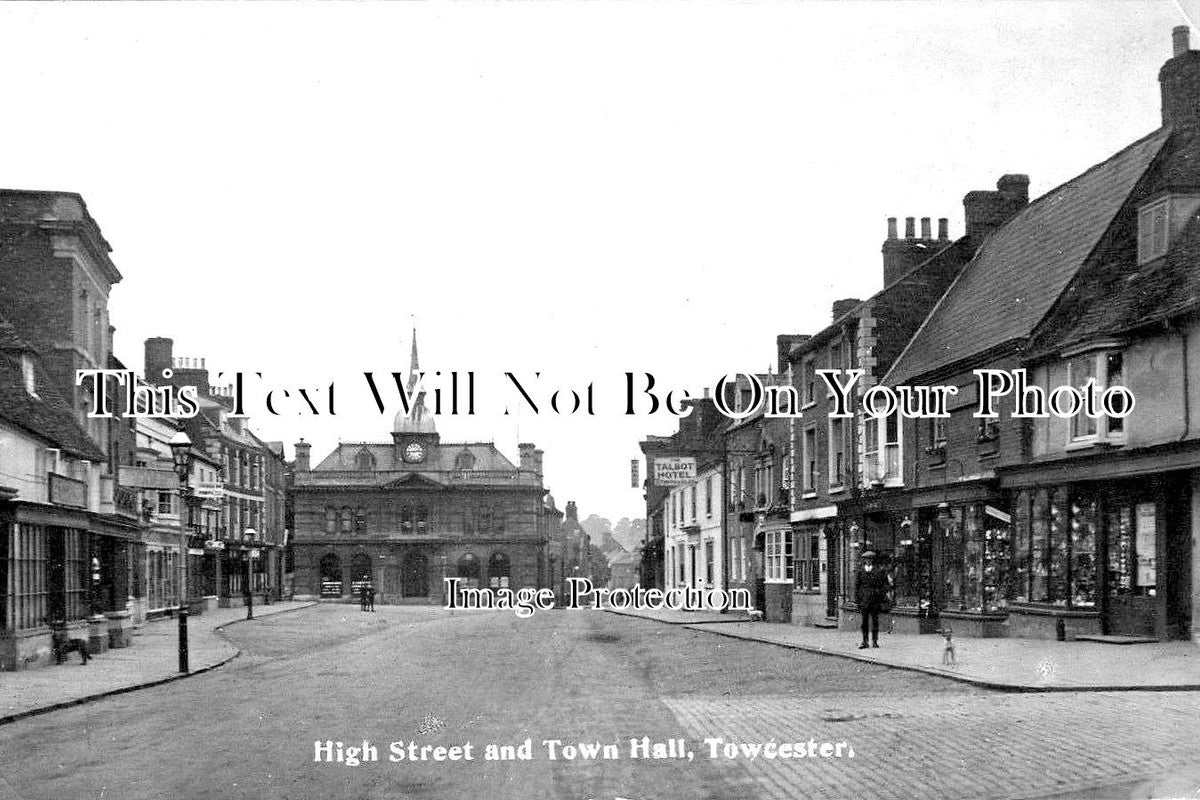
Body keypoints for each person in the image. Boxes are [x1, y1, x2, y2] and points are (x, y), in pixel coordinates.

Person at [854, 551, 891, 649]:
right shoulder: (860, 571)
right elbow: (857, 587)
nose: (868, 561)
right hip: (864, 600)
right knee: (864, 622)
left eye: (870, 559)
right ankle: (865, 641)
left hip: (875, 600)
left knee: (875, 621)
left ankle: (875, 641)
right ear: (864, 560)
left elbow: (885, 585)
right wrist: (858, 600)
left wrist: (880, 594)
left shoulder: (879, 571)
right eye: (866, 559)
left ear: (872, 560)